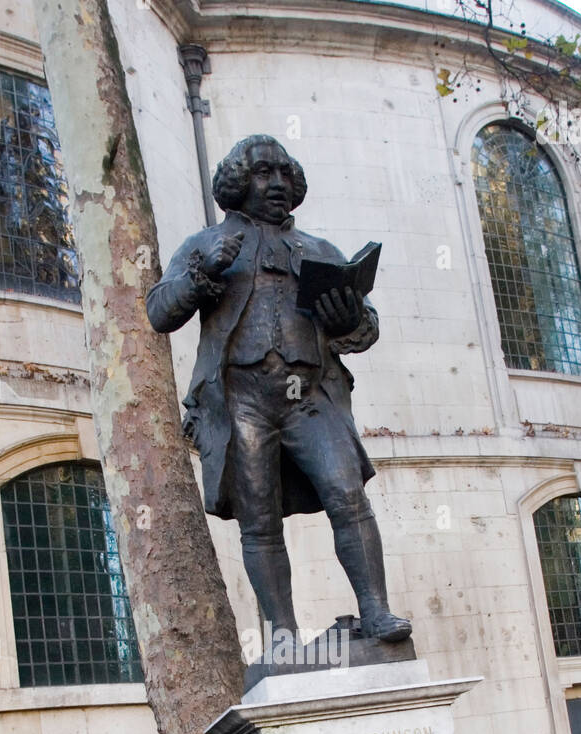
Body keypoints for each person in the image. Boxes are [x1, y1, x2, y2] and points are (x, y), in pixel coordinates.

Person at [146, 133, 411, 644]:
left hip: (310, 398)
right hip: (241, 402)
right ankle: (283, 636)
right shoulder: (205, 244)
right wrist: (200, 278)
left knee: (348, 495)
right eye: (265, 173)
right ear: (238, 182)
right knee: (259, 521)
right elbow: (159, 311)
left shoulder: (318, 250)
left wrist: (349, 316)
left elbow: (366, 328)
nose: (277, 184)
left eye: (285, 174)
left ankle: (375, 610)